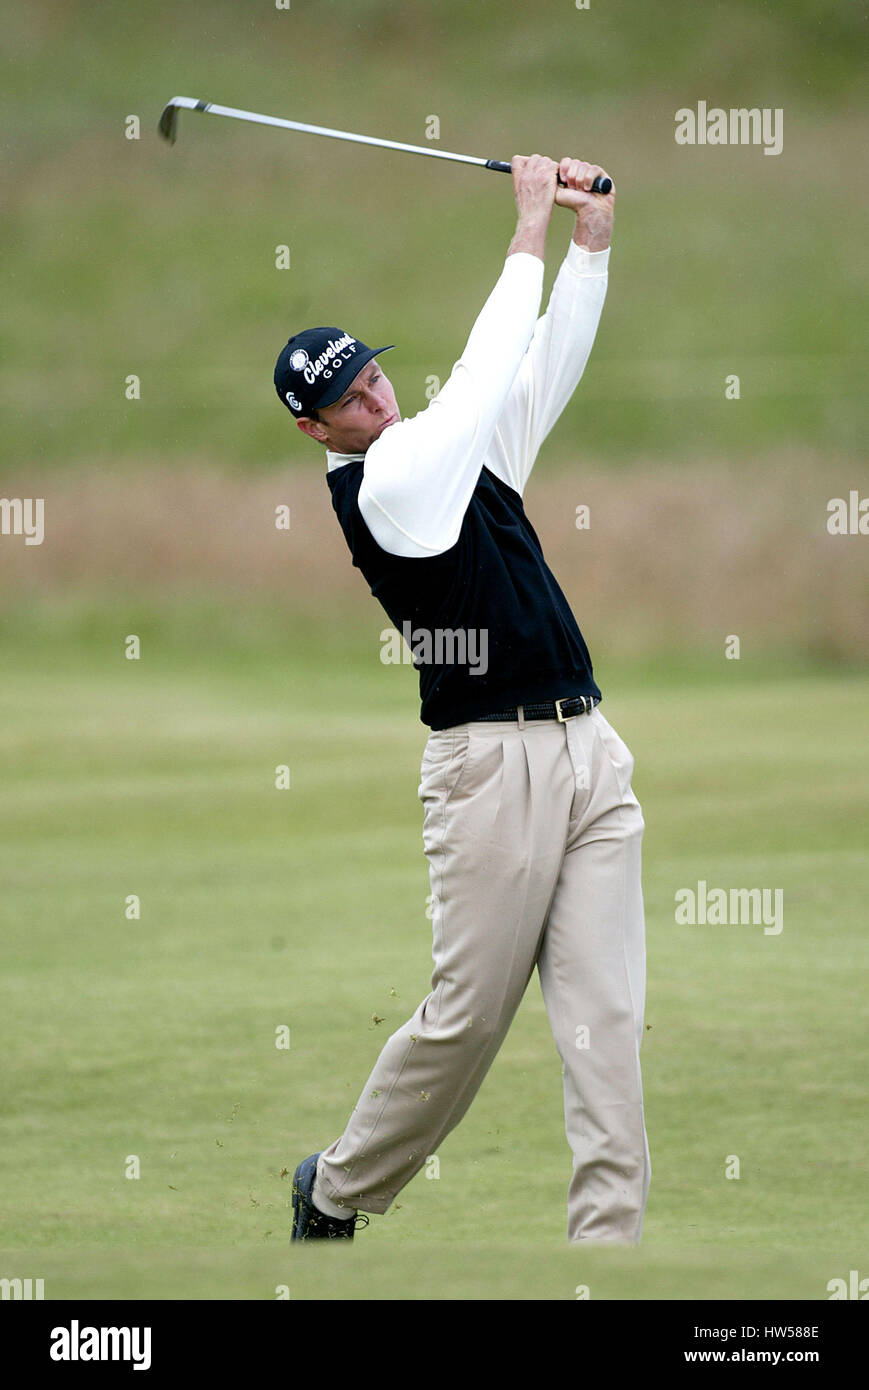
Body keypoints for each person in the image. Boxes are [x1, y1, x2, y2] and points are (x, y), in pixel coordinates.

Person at [274, 154, 650, 1244]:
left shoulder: (449, 451)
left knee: (604, 1021)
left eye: (374, 376)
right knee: (466, 1021)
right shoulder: (386, 483)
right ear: (316, 429)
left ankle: (607, 1252)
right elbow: (485, 374)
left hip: (588, 752)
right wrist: (525, 225)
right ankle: (336, 1189)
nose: (374, 397)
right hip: (487, 773)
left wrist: (588, 246)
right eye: (348, 398)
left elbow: (534, 375)